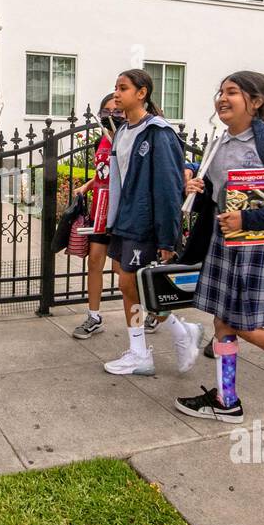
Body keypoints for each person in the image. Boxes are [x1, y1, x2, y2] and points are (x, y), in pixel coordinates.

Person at [175, 71, 264, 423]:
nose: (222, 98)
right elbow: (220, 196)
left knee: (240, 324)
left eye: (232, 92)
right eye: (220, 92)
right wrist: (198, 188)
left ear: (255, 102)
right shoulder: (218, 144)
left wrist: (247, 221)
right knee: (222, 321)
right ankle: (227, 399)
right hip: (224, 245)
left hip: (256, 249)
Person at [101, 69, 202, 377]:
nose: (117, 94)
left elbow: (169, 187)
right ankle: (176, 334)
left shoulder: (159, 132)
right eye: (116, 88)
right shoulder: (122, 131)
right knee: (133, 286)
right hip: (125, 220)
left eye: (123, 88)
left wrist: (167, 239)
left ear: (142, 93)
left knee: (130, 284)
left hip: (144, 224)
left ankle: (145, 350)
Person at [72, 94, 122, 338]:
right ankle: (94, 316)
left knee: (120, 269)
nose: (111, 115)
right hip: (99, 211)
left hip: (121, 212)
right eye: (106, 110)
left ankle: (150, 311)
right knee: (94, 262)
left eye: (116, 110)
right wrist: (87, 186)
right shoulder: (100, 141)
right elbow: (103, 174)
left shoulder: (127, 139)